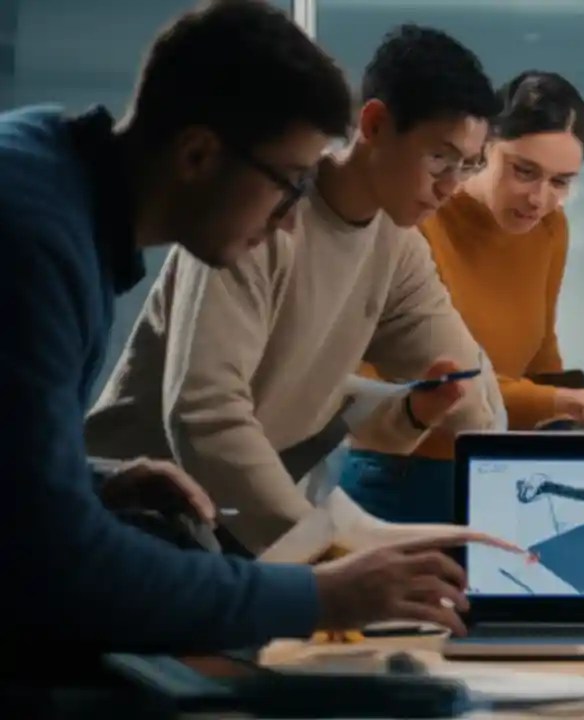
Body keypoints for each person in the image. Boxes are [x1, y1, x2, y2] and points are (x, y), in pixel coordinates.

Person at [0, 0, 509, 660]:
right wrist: (321, 591)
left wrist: (95, 481)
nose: (295, 220)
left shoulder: (58, 186)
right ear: (199, 155)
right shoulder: (35, 241)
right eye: (292, 182)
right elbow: (60, 561)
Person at [84, 22, 510, 557]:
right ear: (374, 123)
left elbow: (471, 386)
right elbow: (204, 413)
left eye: (468, 165)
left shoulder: (397, 245)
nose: (451, 186)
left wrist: (498, 482)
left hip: (230, 526)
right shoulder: (256, 211)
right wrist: (322, 555)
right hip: (130, 516)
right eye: (440, 157)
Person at [339, 71, 584, 523]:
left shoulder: (551, 230)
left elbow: (541, 355)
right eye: (524, 171)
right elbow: (450, 382)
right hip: (393, 470)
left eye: (561, 182)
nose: (539, 199)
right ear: (483, 148)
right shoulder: (422, 217)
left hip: (491, 469)